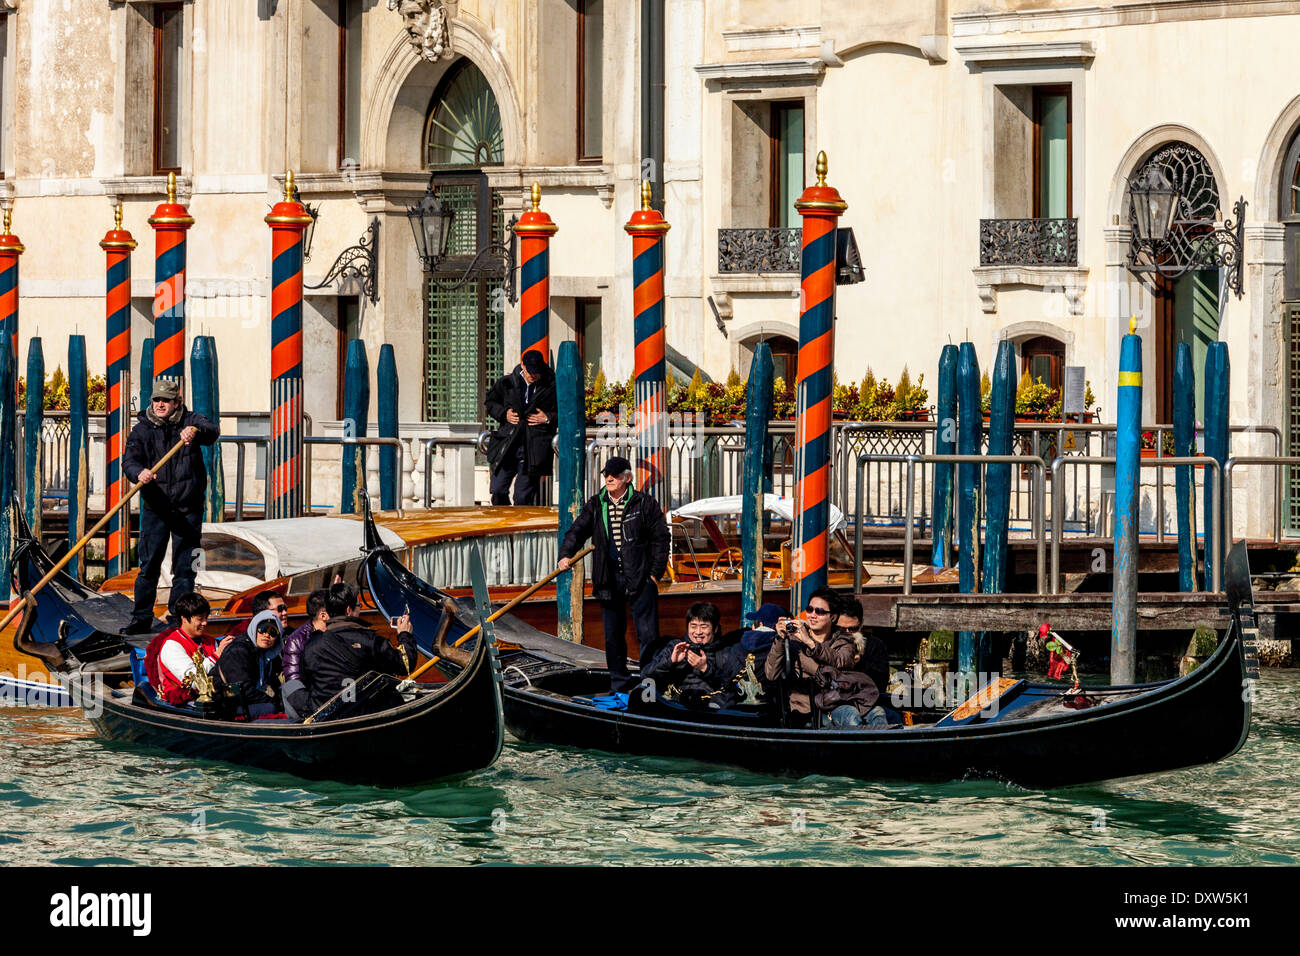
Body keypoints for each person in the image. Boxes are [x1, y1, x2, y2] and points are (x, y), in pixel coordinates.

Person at [557, 456, 671, 692]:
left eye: (615, 475)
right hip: (608, 579)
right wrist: (566, 554)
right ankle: (619, 684)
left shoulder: (644, 503)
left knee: (648, 636)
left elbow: (661, 539)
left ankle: (650, 686)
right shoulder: (597, 504)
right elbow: (577, 531)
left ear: (627, 478)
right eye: (607, 474)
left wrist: (653, 575)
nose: (609, 478)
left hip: (640, 578)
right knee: (612, 637)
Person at [121, 379, 219, 634]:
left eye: (165, 400)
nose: (160, 404)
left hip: (188, 509)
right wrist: (138, 472)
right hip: (157, 508)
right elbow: (129, 461)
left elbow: (212, 431)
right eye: (156, 400)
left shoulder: (191, 420)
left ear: (177, 402)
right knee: (148, 566)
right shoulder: (142, 429)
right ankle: (141, 618)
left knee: (185, 569)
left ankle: (178, 620)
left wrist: (195, 431)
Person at [300, 583, 419, 717]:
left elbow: (306, 681)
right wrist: (405, 634)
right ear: (348, 610)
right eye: (359, 606)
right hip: (364, 718)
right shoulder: (370, 640)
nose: (360, 610)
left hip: (326, 720)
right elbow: (405, 665)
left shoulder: (311, 645)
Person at [764, 587, 857, 726]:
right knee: (851, 717)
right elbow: (771, 674)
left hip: (834, 705)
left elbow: (842, 661)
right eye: (809, 609)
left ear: (833, 616)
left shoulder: (843, 640)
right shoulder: (792, 641)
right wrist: (780, 640)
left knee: (877, 713)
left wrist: (809, 642)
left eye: (819, 612)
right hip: (804, 712)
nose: (813, 615)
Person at [484, 350, 558, 506]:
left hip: (533, 447)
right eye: (530, 371)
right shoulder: (507, 383)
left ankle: (520, 528)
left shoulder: (552, 385)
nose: (533, 375)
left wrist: (547, 418)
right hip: (508, 444)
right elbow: (490, 403)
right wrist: (504, 414)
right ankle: (504, 525)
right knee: (497, 490)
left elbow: (566, 411)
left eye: (536, 372)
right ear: (522, 365)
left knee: (522, 498)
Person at [640, 602, 742, 709]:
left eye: (704, 626)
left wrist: (705, 668)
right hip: (676, 705)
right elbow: (645, 675)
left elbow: (735, 686)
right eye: (693, 626)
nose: (698, 632)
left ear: (715, 628)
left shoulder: (725, 651)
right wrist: (670, 661)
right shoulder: (675, 647)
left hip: (711, 709)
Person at [143, 592, 234, 706]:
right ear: (184, 618)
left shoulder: (211, 641)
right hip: (185, 702)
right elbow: (195, 682)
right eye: (200, 619)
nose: (205, 623)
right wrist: (217, 655)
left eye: (206, 618)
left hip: (215, 696)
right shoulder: (172, 646)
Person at [212, 609, 283, 719]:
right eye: (263, 629)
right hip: (226, 706)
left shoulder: (267, 655)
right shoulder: (239, 651)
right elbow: (244, 690)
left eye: (273, 632)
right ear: (254, 628)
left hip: (244, 701)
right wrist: (275, 702)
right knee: (271, 708)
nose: (267, 635)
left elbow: (274, 682)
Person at [281, 588, 330, 721]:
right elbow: (293, 679)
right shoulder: (296, 640)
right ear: (323, 615)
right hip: (310, 699)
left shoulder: (334, 633)